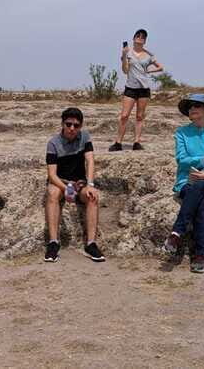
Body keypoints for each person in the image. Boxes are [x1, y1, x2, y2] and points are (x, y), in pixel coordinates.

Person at [162, 94, 204, 274]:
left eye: (197, 106)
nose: (192, 109)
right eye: (190, 106)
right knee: (197, 201)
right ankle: (201, 254)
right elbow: (182, 160)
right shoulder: (181, 133)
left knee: (198, 187)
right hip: (186, 182)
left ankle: (177, 232)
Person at [44, 107, 105, 263]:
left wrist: (90, 184)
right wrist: (67, 188)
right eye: (68, 124)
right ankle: (53, 243)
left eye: (76, 125)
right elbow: (52, 175)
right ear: (62, 124)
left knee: (92, 196)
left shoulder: (85, 137)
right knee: (52, 194)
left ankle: (91, 243)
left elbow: (90, 160)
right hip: (61, 181)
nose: (72, 128)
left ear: (81, 126)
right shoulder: (53, 143)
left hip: (80, 182)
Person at [108, 29, 165, 151]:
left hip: (143, 89)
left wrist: (149, 71)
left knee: (140, 116)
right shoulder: (128, 53)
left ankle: (136, 142)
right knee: (124, 115)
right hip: (130, 88)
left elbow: (160, 67)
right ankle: (118, 142)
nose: (140, 38)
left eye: (143, 37)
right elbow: (125, 70)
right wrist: (123, 55)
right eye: (138, 36)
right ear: (133, 38)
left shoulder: (149, 55)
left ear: (145, 41)